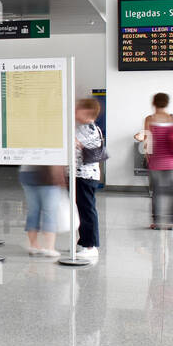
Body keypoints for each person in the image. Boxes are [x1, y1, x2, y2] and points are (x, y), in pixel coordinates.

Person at [134, 92, 173, 231]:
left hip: (156, 162)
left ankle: (157, 222)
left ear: (153, 103)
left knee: (156, 191)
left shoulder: (149, 119)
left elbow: (147, 141)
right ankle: (172, 222)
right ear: (167, 103)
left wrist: (141, 139)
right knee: (172, 191)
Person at [73, 98, 104, 260]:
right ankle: (85, 240)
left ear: (87, 112)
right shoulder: (88, 128)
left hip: (85, 175)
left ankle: (90, 245)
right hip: (84, 174)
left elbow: (75, 146)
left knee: (87, 210)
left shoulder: (88, 129)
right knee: (84, 209)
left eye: (78, 109)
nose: (75, 112)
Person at [18, 163, 64, 258]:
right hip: (48, 174)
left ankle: (34, 245)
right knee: (49, 211)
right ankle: (50, 248)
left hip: (27, 173)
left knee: (33, 211)